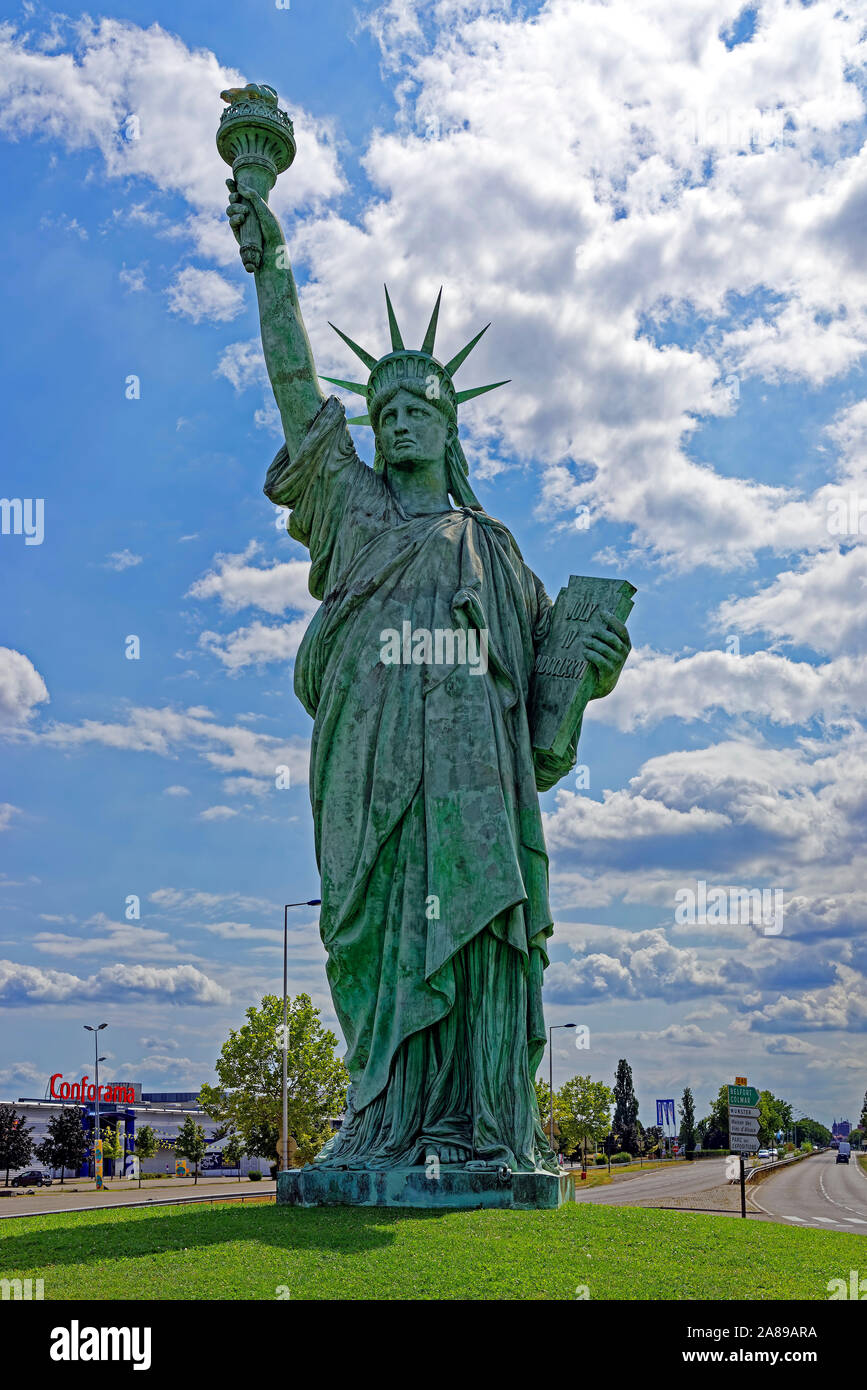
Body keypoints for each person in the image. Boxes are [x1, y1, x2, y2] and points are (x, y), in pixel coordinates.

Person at [225, 181, 631, 1173]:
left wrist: (586, 674)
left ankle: (478, 1134)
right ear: (371, 430)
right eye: (386, 406)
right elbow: (292, 384)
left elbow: (541, 731)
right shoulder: (353, 514)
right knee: (370, 942)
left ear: (450, 426)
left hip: (473, 803)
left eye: (423, 405)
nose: (403, 418)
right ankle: (383, 1118)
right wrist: (271, 258)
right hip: (369, 784)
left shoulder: (494, 549)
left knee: (477, 942)